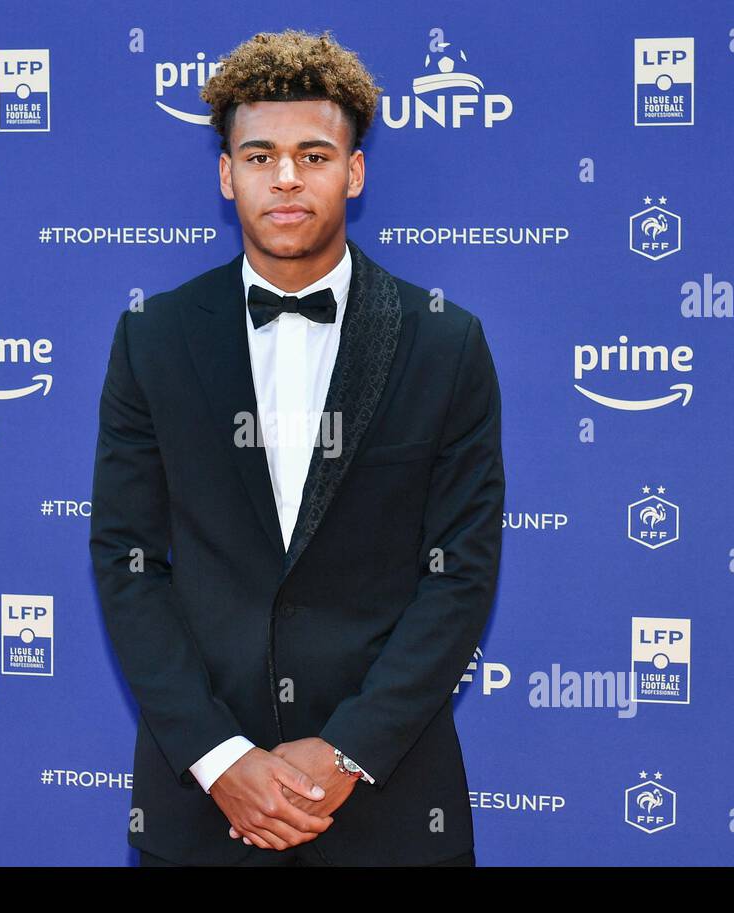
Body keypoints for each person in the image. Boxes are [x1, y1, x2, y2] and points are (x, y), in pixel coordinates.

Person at [89, 28, 504, 866]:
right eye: (259, 155)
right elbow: (127, 560)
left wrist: (344, 753)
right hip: (202, 806)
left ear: (354, 172)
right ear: (225, 173)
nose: (285, 178)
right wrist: (221, 757)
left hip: (389, 805)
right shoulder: (154, 338)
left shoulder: (444, 342)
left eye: (313, 155)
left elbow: (459, 573)